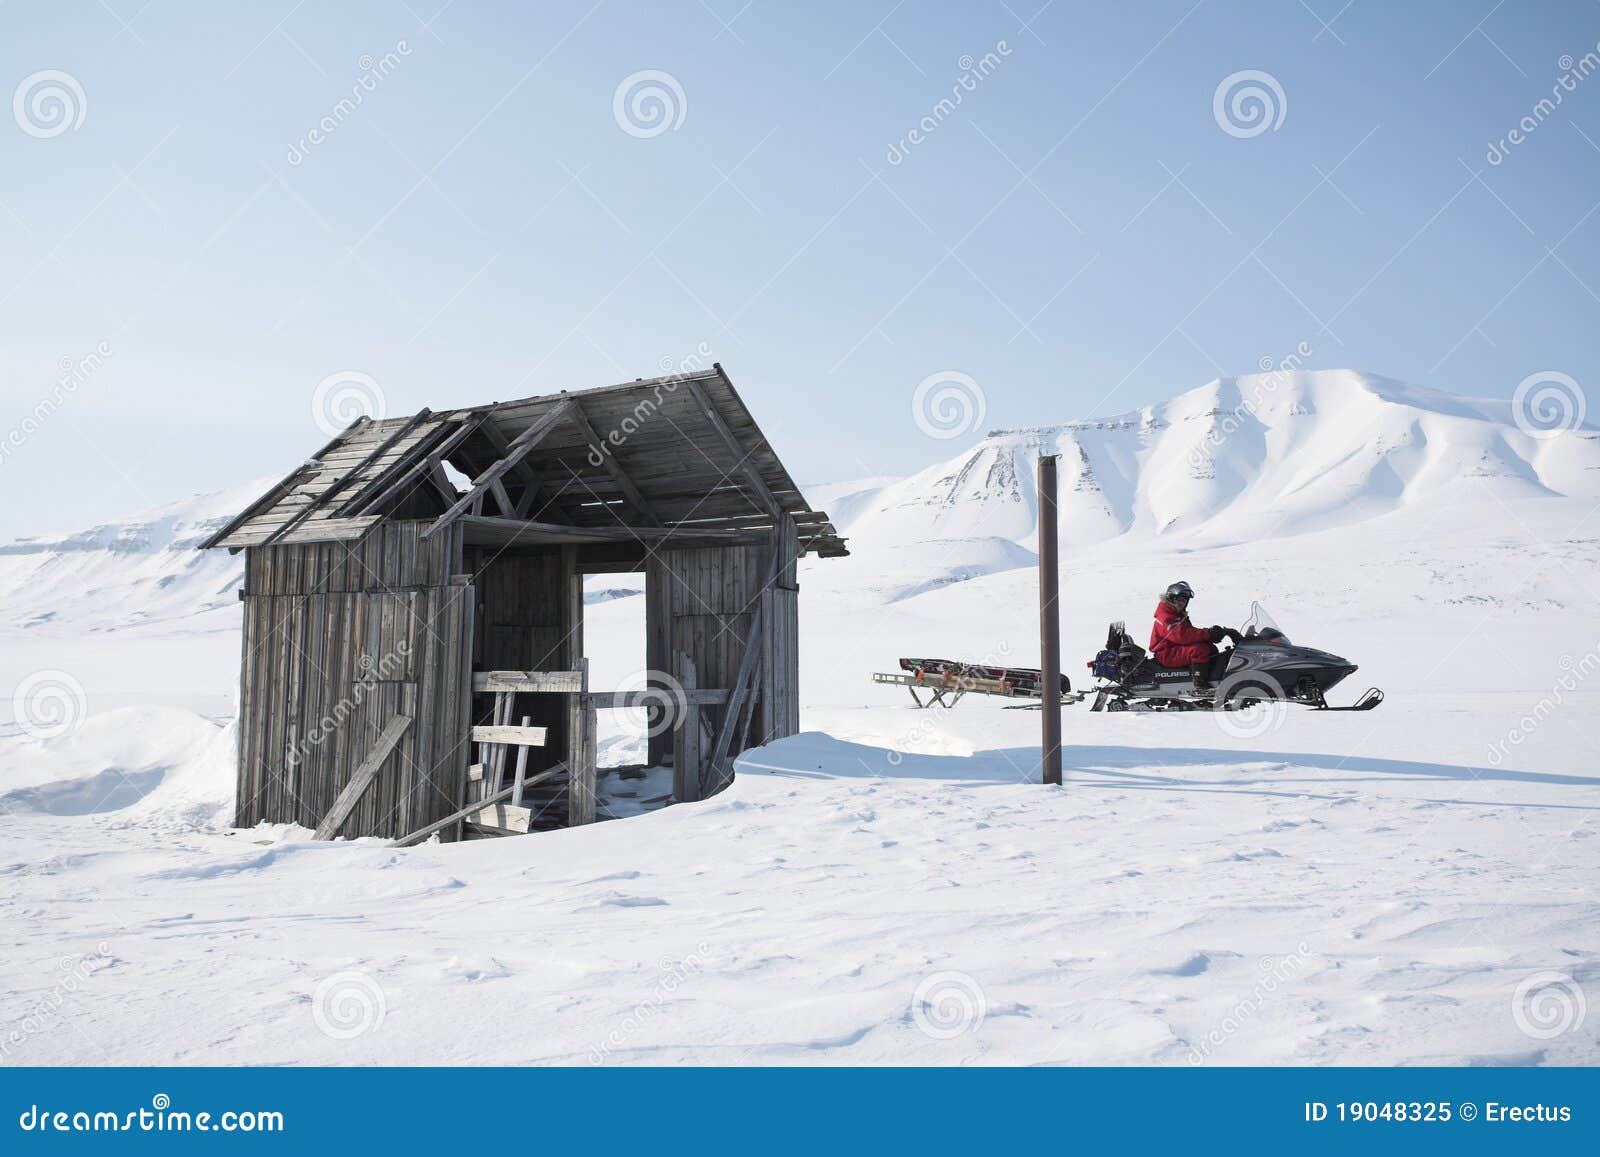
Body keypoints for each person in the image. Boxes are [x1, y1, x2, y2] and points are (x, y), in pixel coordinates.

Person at [1149, 581, 1237, 689]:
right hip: (1166, 653)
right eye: (1178, 599)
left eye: (1184, 600)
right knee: (1199, 650)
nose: (1182, 602)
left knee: (1210, 648)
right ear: (1171, 598)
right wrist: (1208, 634)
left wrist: (1211, 635)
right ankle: (1200, 684)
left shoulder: (1175, 614)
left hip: (1173, 649)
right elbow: (1181, 636)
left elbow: (1189, 632)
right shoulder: (1165, 615)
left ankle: (1213, 678)